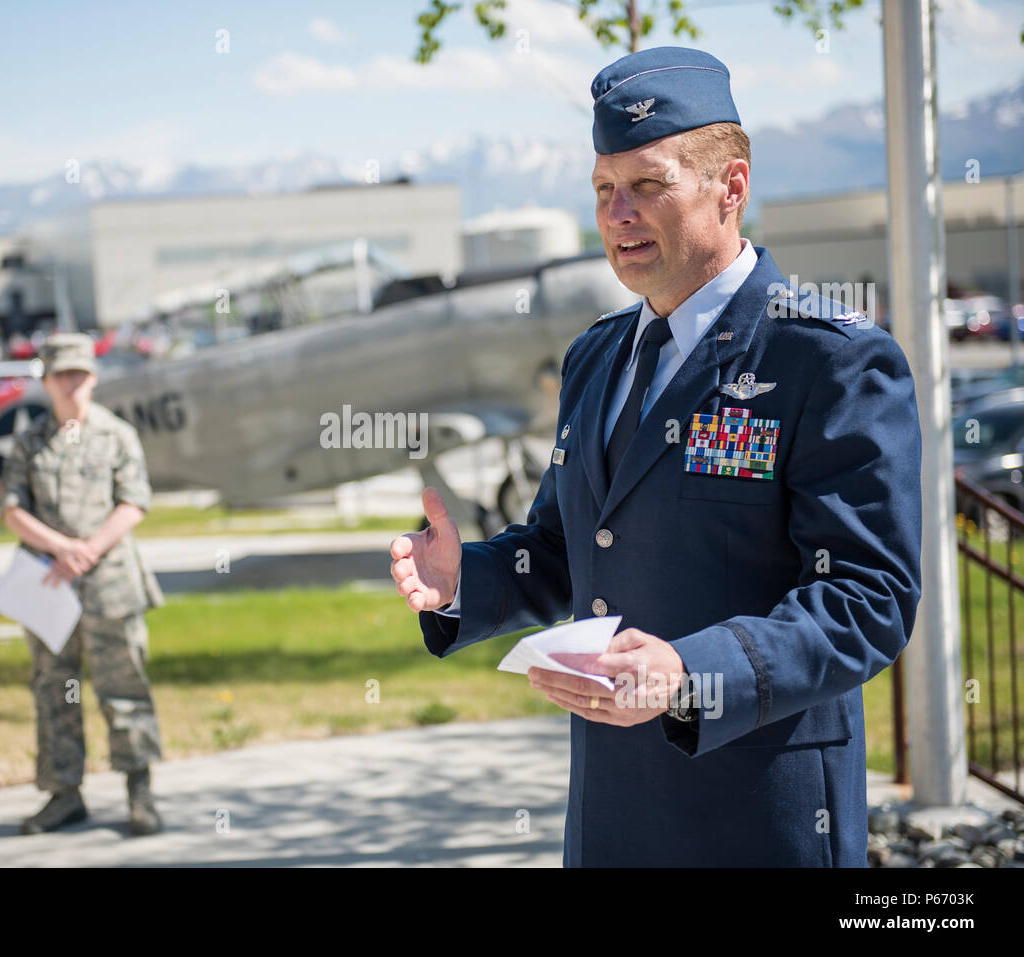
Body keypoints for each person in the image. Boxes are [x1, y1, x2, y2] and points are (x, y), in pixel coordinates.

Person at [388, 46, 921, 867]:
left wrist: (691, 672)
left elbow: (869, 597)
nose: (618, 214)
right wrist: (467, 581)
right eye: (603, 190)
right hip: (611, 816)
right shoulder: (596, 358)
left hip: (761, 818)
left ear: (730, 187)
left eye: (647, 185)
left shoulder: (828, 359)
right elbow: (569, 550)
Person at [0, 332, 167, 836]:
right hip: (49, 582)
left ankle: (140, 791)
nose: (71, 384)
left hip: (110, 582)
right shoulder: (29, 443)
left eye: (80, 374)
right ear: (46, 382)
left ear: (93, 379)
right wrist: (59, 547)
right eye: (61, 376)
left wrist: (89, 549)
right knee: (56, 689)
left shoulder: (116, 435)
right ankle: (63, 794)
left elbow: (134, 501)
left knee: (125, 687)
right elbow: (10, 508)